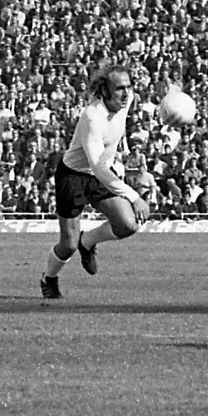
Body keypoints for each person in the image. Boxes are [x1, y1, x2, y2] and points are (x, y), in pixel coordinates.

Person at [40, 64, 148, 299]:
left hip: (102, 172)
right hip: (74, 176)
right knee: (67, 244)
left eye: (128, 87)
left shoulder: (127, 100)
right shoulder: (92, 116)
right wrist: (134, 196)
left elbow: (117, 130)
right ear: (105, 91)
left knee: (128, 225)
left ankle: (87, 242)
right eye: (119, 88)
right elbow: (98, 167)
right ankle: (49, 278)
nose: (126, 93)